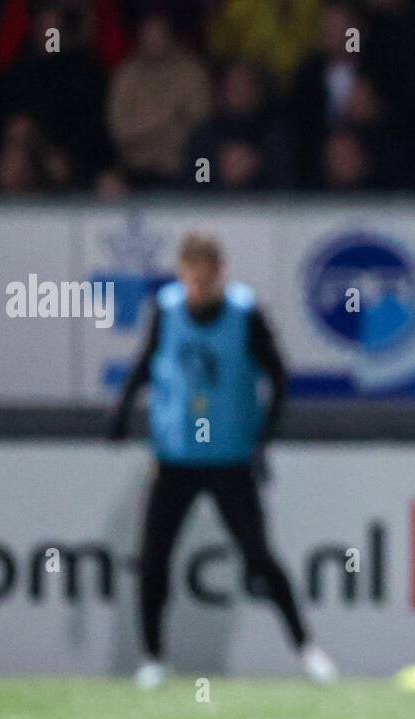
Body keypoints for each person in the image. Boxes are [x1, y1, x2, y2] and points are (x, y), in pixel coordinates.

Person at [108, 232, 337, 688]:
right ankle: (153, 657)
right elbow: (145, 364)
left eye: (206, 272)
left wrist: (263, 438)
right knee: (154, 558)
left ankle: (306, 648)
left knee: (259, 556)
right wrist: (121, 414)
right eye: (191, 273)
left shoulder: (244, 314)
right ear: (182, 272)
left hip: (229, 459)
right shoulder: (167, 310)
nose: (198, 283)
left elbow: (278, 374)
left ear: (220, 271)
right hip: (176, 459)